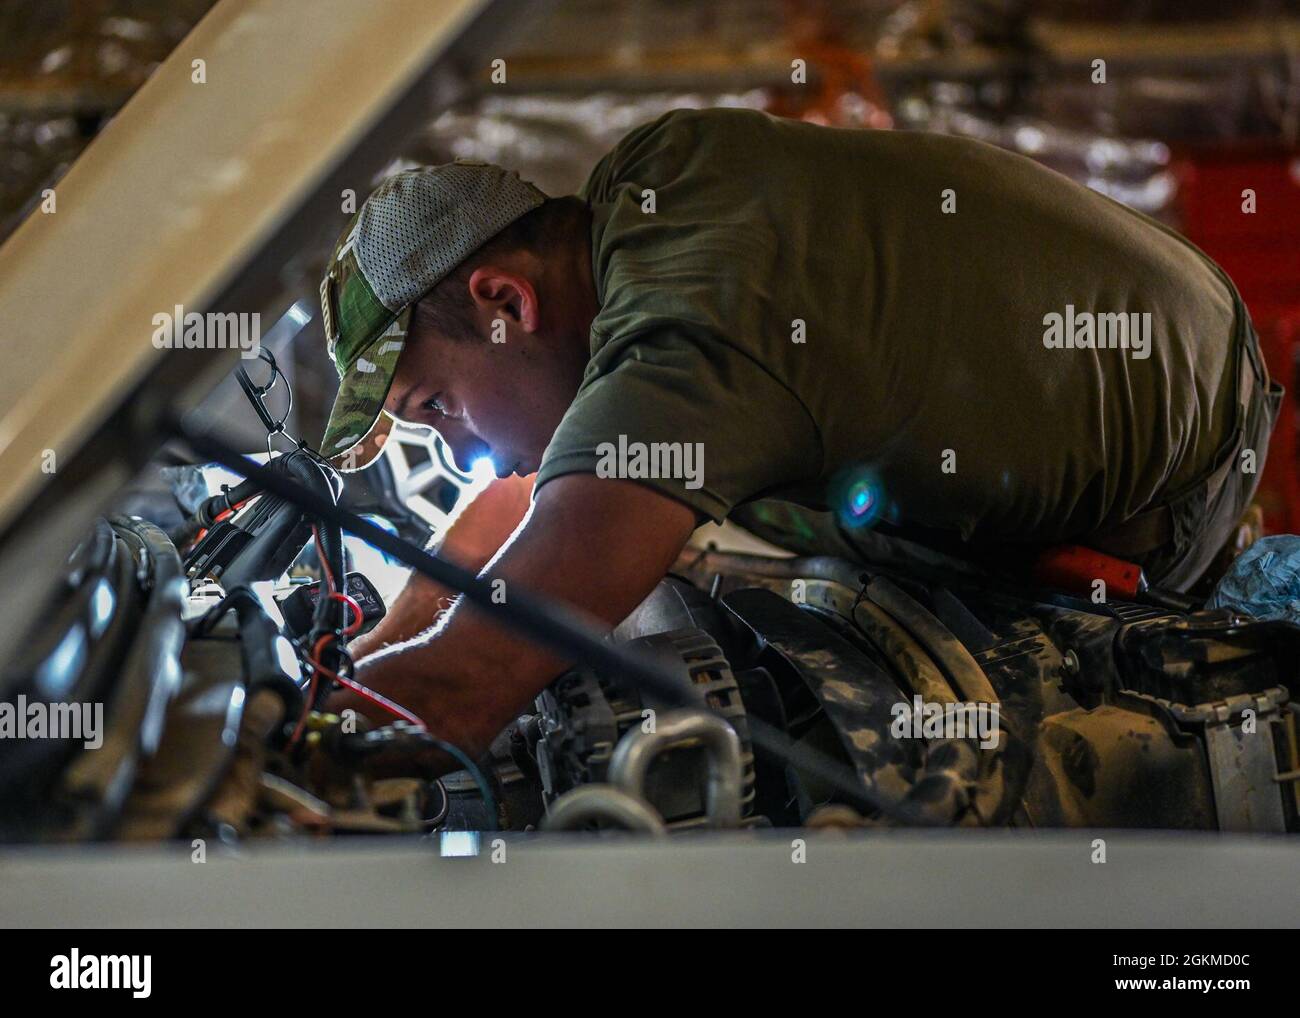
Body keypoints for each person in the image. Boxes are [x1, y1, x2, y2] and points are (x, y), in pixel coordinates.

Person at [315, 107, 1279, 757]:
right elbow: (528, 495)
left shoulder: (694, 336)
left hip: (1185, 450)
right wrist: (364, 656)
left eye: (433, 406)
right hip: (1178, 315)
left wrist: (281, 755)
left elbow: (475, 677)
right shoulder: (651, 180)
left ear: (503, 303)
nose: (451, 446)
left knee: (769, 595)